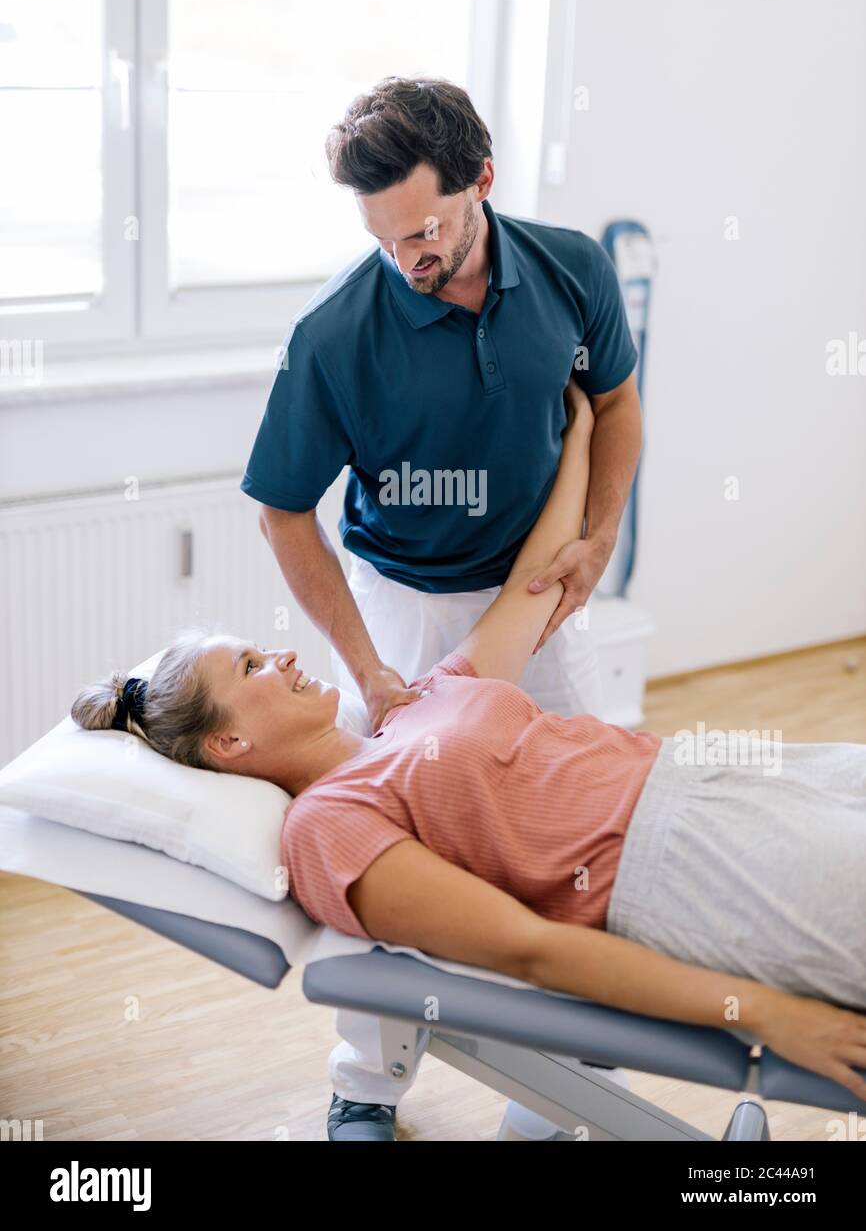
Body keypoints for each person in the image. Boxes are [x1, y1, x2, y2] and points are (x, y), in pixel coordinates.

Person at [72, 382, 866, 1140]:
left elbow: (533, 585)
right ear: (229, 745)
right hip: (678, 865)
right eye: (250, 669)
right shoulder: (326, 824)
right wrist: (764, 1013)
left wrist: (579, 435)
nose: (280, 655)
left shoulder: (415, 703)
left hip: (713, 776)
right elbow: (529, 947)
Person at [238, 75, 644, 1136]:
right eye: (381, 236)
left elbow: (613, 406)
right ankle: (364, 1086)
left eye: (422, 229)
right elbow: (284, 513)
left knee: (566, 840)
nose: (404, 256)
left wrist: (596, 537)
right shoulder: (333, 334)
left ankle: (552, 1089)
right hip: (403, 604)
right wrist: (365, 663)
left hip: (537, 588)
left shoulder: (571, 269)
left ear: (482, 183)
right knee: (386, 851)